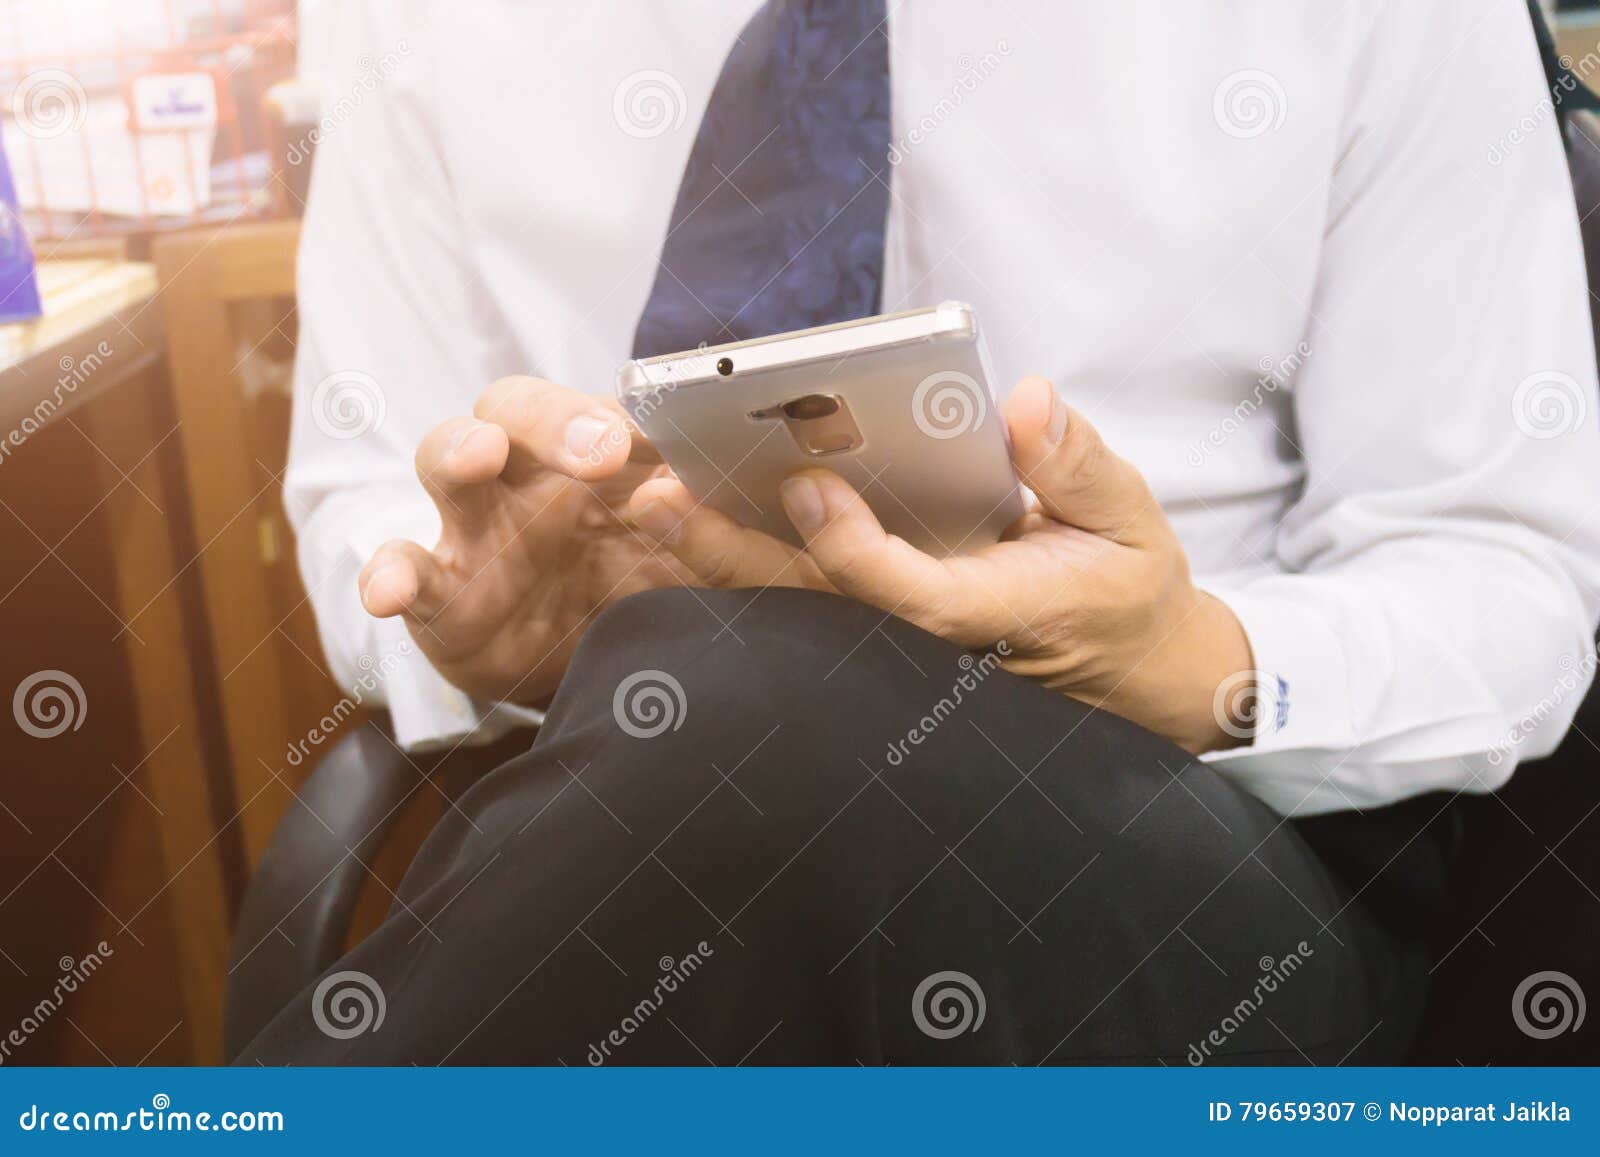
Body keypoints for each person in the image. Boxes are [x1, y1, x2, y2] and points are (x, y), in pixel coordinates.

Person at [251, 1, 1600, 1064]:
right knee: (734, 702)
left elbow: (1505, 571)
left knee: (758, 703)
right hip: (643, 828)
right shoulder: (425, 18)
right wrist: (490, 623)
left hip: (1206, 856)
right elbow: (364, 487)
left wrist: (1194, 658)